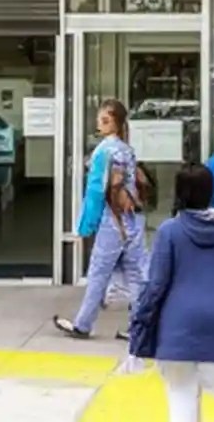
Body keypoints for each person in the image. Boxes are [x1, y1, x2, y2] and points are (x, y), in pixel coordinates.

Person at [129, 164, 214, 422]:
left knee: (181, 398)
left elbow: (155, 287)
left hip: (178, 328)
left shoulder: (170, 231)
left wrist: (139, 327)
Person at [54, 99, 149, 339]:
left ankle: (83, 324)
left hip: (113, 220)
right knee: (136, 274)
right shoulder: (127, 150)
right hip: (133, 219)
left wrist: (86, 224)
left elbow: (96, 191)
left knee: (98, 271)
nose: (100, 124)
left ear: (115, 123)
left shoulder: (104, 151)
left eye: (105, 120)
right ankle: (140, 327)